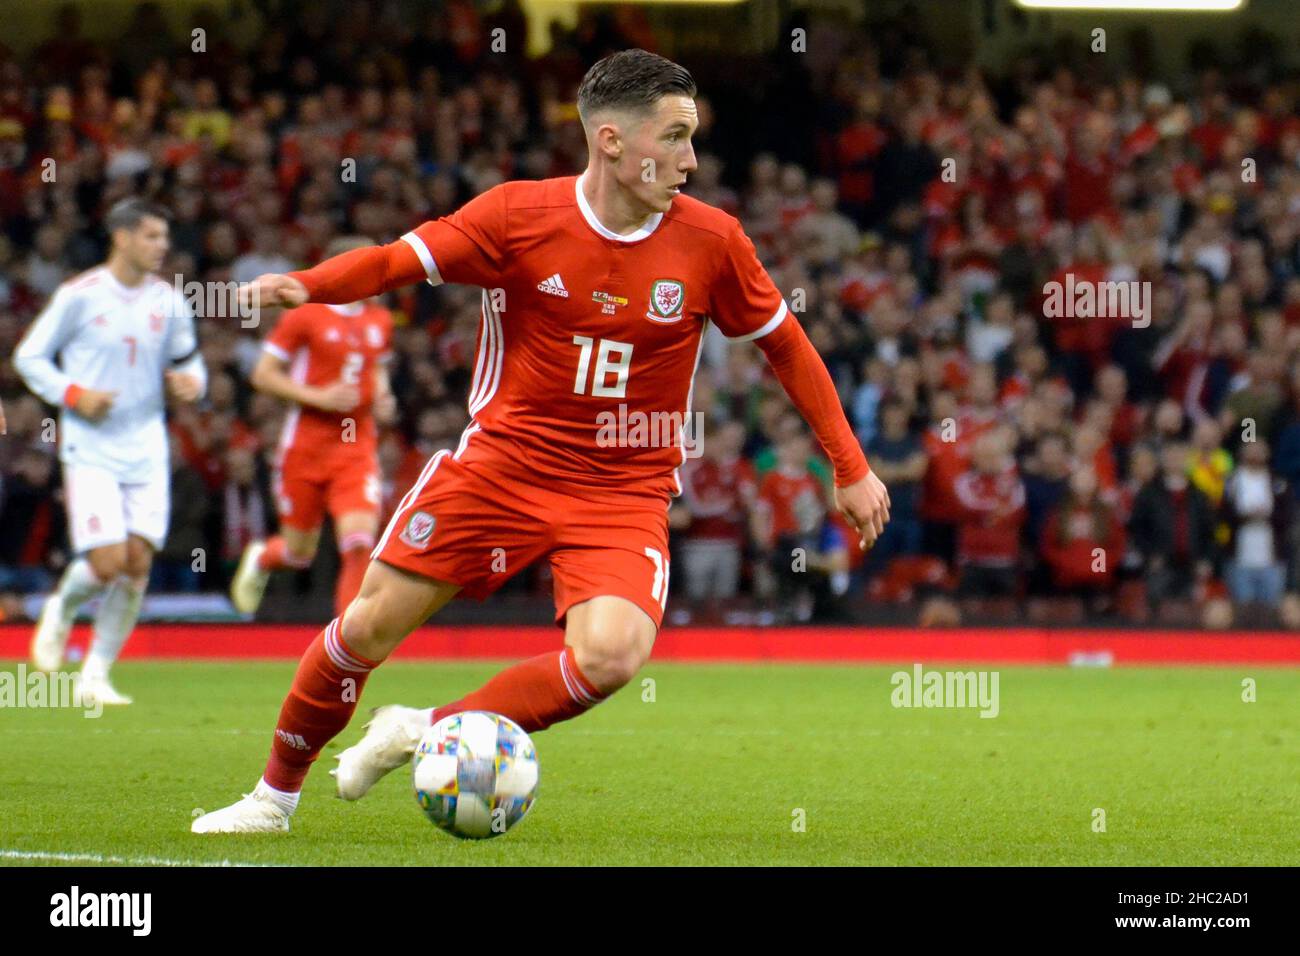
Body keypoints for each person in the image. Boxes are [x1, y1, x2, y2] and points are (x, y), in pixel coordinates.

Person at [192, 49, 889, 834]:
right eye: (677, 136)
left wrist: (850, 466)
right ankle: (271, 799)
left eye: (694, 139)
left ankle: (423, 730)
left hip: (622, 489)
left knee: (614, 655)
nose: (692, 160)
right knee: (364, 626)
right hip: (502, 465)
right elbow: (394, 263)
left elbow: (787, 346)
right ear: (611, 140)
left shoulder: (713, 242)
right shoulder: (516, 216)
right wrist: (305, 284)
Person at [12, 197, 207, 704]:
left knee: (138, 563)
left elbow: (192, 363)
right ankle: (60, 607)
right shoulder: (80, 295)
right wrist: (74, 395)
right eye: (151, 236)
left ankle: (95, 674)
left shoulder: (169, 300)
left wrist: (192, 384)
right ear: (121, 237)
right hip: (89, 442)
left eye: (165, 237)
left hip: (145, 443)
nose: (162, 246)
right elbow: (28, 357)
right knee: (106, 562)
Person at [228, 236, 395, 618]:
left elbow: (378, 368)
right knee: (298, 553)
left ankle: (343, 645)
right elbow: (263, 375)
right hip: (305, 447)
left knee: (357, 543)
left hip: (356, 449)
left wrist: (384, 397)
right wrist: (318, 397)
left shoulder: (379, 319)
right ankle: (263, 557)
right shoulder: (306, 314)